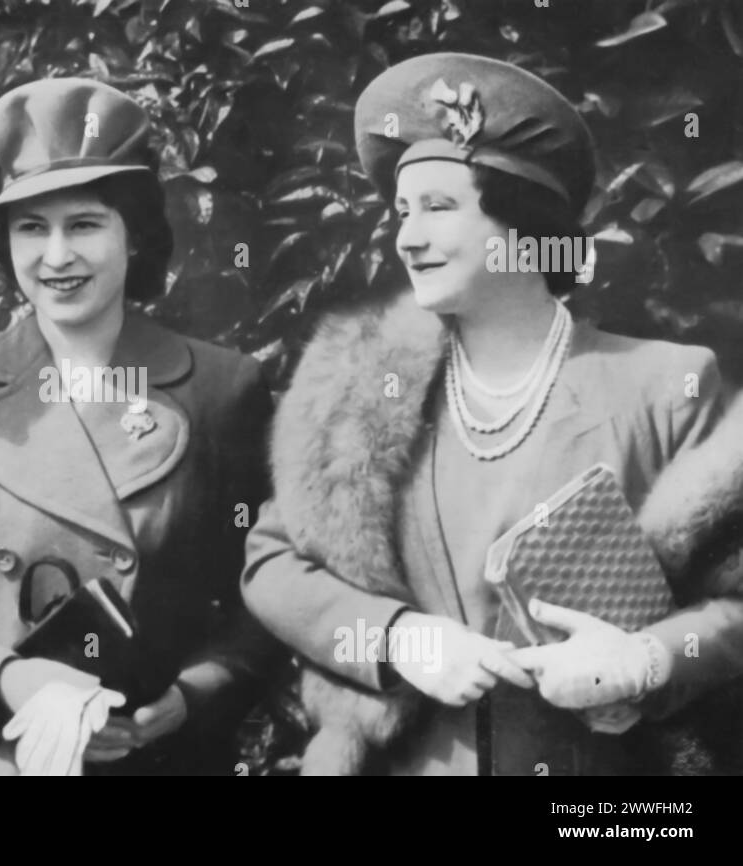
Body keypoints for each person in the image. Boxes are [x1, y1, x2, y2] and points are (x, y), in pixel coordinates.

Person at [241, 52, 743, 775]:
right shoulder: (356, 393)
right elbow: (271, 564)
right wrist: (396, 639)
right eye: (402, 213)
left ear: (525, 224)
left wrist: (644, 661)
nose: (406, 237)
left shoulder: (664, 384)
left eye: (439, 208)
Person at [0, 77, 282, 776]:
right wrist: (8, 687)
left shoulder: (220, 388)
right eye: (32, 228)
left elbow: (261, 597)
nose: (57, 257)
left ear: (137, 236)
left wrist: (191, 697)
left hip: (159, 757)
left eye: (85, 224)